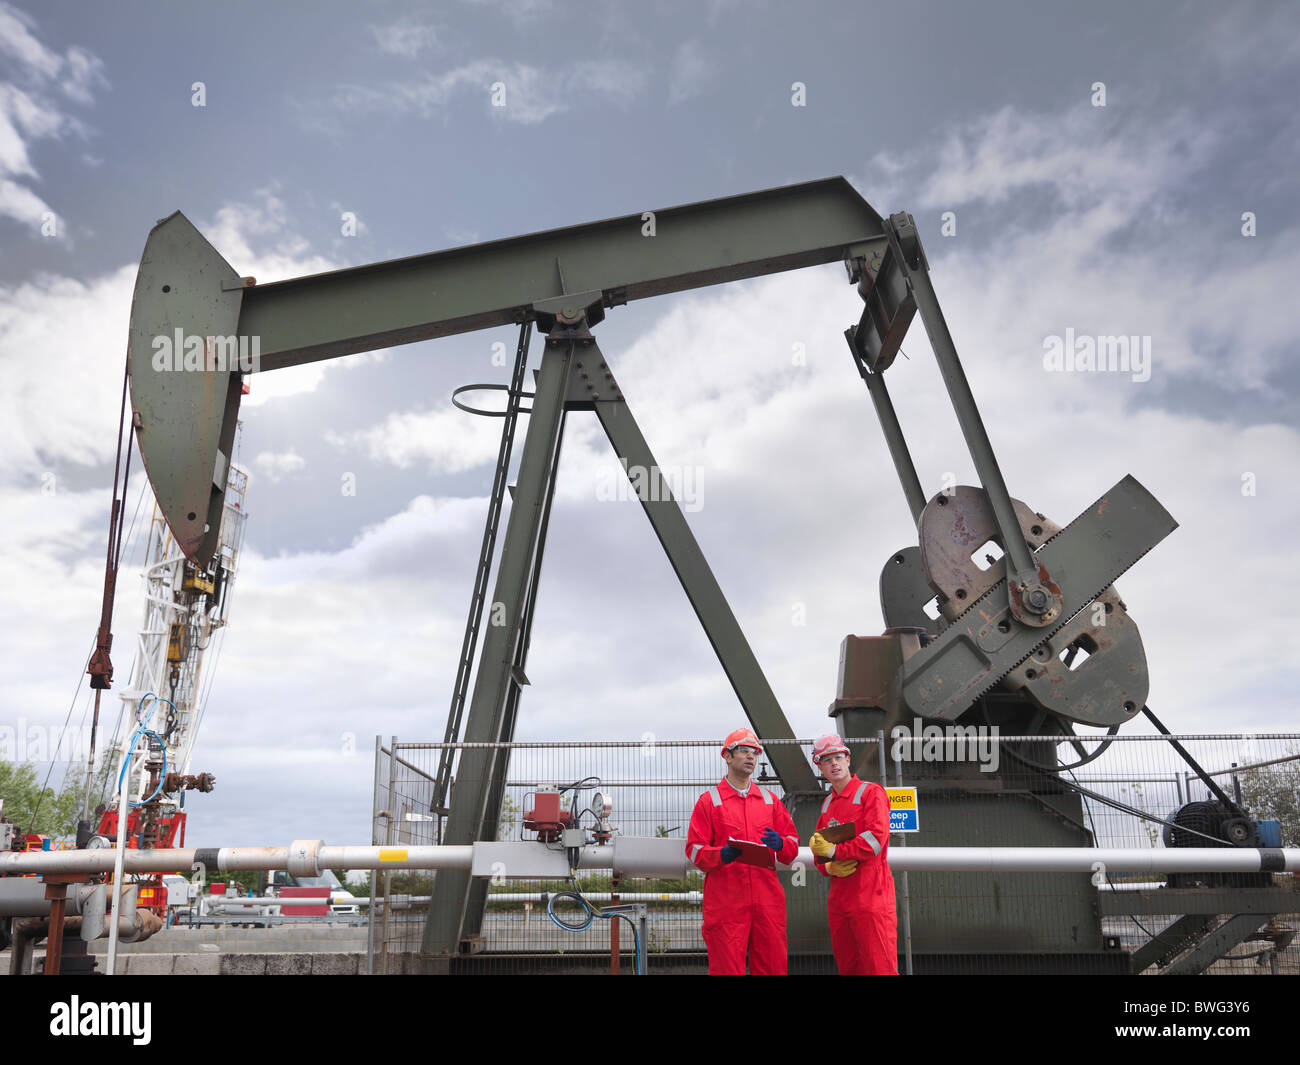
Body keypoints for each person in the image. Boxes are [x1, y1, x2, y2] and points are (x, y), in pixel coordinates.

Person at [685, 727, 801, 974]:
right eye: (744, 751)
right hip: (727, 902)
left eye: (755, 753)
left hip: (767, 901)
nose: (751, 757)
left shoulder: (770, 801)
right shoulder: (710, 801)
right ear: (727, 756)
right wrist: (720, 855)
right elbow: (694, 850)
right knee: (726, 968)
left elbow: (792, 847)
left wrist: (781, 843)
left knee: (772, 967)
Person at [808, 733, 898, 975]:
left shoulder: (871, 793)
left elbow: (875, 841)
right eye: (827, 760)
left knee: (879, 967)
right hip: (840, 900)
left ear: (848, 759)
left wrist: (835, 851)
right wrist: (827, 866)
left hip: (871, 898)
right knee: (849, 967)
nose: (834, 764)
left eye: (838, 757)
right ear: (820, 766)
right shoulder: (828, 804)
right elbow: (820, 851)